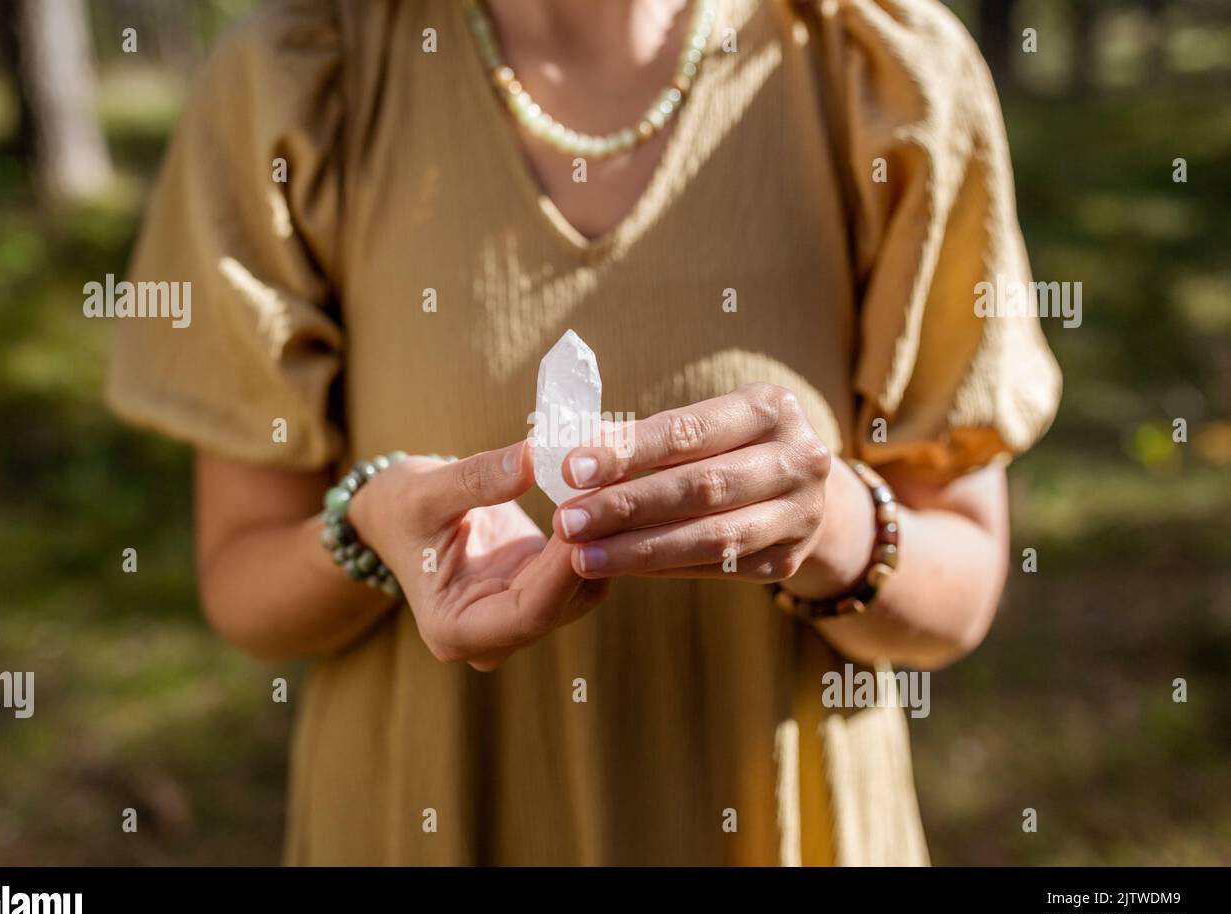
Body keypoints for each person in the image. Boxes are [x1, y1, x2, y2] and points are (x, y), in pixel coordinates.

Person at [106, 0, 1061, 865]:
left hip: (775, 820)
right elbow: (241, 581)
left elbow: (964, 583)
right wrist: (367, 530)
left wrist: (831, 524)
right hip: (425, 824)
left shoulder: (885, 74)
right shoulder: (297, 78)